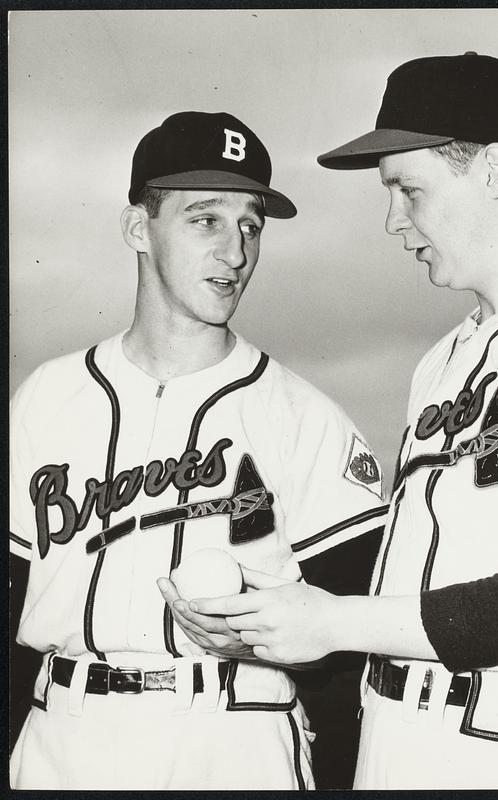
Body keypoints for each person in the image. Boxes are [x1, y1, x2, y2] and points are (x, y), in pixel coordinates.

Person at [171, 55, 498, 789]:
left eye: (407, 189)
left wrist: (329, 622)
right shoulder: (441, 361)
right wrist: (276, 625)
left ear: (490, 170)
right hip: (390, 740)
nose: (393, 220)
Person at [9, 111, 387, 790]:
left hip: (233, 735)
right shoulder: (47, 397)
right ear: (137, 228)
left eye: (250, 224)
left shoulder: (305, 418)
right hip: (61, 733)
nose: (236, 252)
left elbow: (355, 649)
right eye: (205, 219)